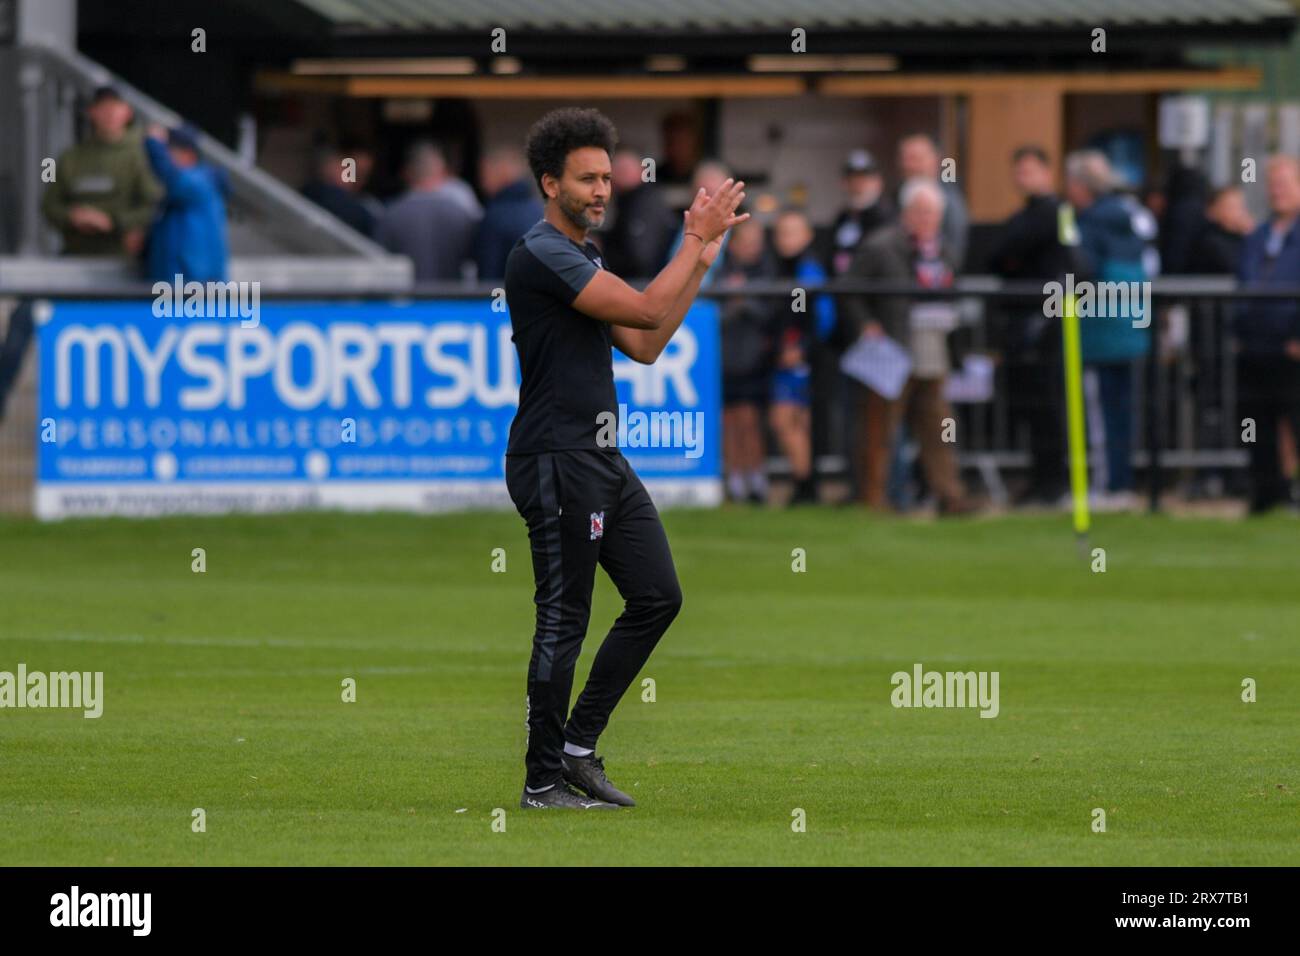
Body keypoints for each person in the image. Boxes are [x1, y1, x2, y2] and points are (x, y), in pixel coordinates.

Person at [504, 108, 746, 809]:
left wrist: (700, 257)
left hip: (601, 454)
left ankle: (578, 750)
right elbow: (643, 312)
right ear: (551, 183)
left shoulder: (583, 256)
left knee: (657, 596)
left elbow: (644, 345)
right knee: (564, 619)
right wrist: (692, 236)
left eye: (607, 177)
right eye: (587, 179)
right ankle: (542, 779)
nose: (602, 190)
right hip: (556, 457)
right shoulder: (540, 251)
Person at [842, 178, 975, 515]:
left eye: (933, 213)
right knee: (880, 429)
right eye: (922, 212)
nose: (928, 219)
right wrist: (866, 325)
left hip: (934, 351)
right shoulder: (880, 245)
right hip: (892, 351)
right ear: (908, 212)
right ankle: (872, 499)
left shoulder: (944, 250)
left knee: (939, 428)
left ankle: (950, 495)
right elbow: (848, 290)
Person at [1065, 149, 1155, 510]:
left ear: (1081, 186)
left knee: (1100, 410)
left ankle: (1106, 486)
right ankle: (1121, 482)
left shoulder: (1088, 224)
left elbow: (1082, 270)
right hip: (1130, 327)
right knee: (1122, 408)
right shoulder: (1131, 218)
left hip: (1100, 330)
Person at [987, 145, 1076, 506]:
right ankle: (1039, 478)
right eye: (1018, 171)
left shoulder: (1058, 213)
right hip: (1021, 321)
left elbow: (1069, 259)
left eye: (1030, 170)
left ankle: (1054, 481)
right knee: (1027, 405)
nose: (1023, 177)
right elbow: (997, 256)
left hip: (1046, 322)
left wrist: (1014, 254)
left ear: (1046, 173)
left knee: (1049, 406)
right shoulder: (1023, 215)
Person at [1233, 155, 1300, 513]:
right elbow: (1241, 283)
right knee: (1255, 422)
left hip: (1291, 346)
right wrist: (1239, 328)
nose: (1278, 192)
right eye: (1273, 185)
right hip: (1255, 346)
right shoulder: (1257, 236)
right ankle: (1266, 493)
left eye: (1286, 184)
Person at [41, 85, 161, 258]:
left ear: (127, 112)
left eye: (116, 108)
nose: (110, 114)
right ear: (92, 112)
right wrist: (73, 216)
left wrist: (112, 221)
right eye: (104, 108)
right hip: (76, 256)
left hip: (125, 260)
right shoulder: (68, 157)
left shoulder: (143, 155)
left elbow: (155, 206)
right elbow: (48, 205)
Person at [770, 208, 835, 505]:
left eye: (792, 232)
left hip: (805, 361)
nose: (785, 239)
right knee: (796, 423)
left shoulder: (808, 268)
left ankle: (806, 484)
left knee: (788, 420)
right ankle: (806, 484)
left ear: (807, 235)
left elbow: (822, 316)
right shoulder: (787, 267)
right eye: (781, 232)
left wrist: (803, 350)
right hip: (798, 358)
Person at [716, 218, 777, 504]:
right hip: (725, 358)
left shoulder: (768, 271)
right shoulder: (720, 270)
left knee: (751, 419)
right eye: (745, 242)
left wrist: (743, 298)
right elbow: (713, 313)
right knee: (729, 419)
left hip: (754, 360)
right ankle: (735, 476)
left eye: (756, 242)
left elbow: (769, 313)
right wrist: (735, 300)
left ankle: (756, 475)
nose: (750, 248)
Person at [375, 141, 478, 281]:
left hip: (409, 298)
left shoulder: (391, 215)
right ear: (441, 171)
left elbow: (379, 265)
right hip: (453, 297)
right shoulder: (461, 214)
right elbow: (474, 263)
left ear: (407, 173)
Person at [143, 123, 229, 283]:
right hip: (178, 283)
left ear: (188, 154)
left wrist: (154, 144)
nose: (167, 156)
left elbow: (169, 173)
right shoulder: (184, 189)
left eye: (170, 152)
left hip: (196, 283)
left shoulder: (201, 181)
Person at [599, 146, 678, 280]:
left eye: (623, 170)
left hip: (643, 284)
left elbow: (641, 259)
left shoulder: (646, 203)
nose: (616, 176)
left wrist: (603, 257)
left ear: (641, 170)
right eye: (614, 171)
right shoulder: (625, 201)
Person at [897, 133, 970, 268]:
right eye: (904, 159)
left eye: (915, 159)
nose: (908, 165)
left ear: (935, 160)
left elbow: (955, 249)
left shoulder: (949, 200)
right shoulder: (898, 193)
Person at [474, 145, 543, 280]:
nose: (482, 183)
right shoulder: (539, 209)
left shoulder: (495, 216)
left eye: (485, 174)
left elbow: (489, 272)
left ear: (502, 172)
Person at [829, 149, 894, 277]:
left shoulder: (886, 217)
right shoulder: (843, 217)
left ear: (878, 182)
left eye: (864, 179)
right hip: (844, 287)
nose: (858, 185)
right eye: (853, 179)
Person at [301, 144, 377, 237]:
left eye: (363, 175)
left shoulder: (369, 209)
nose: (356, 180)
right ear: (333, 164)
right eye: (353, 170)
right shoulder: (308, 194)